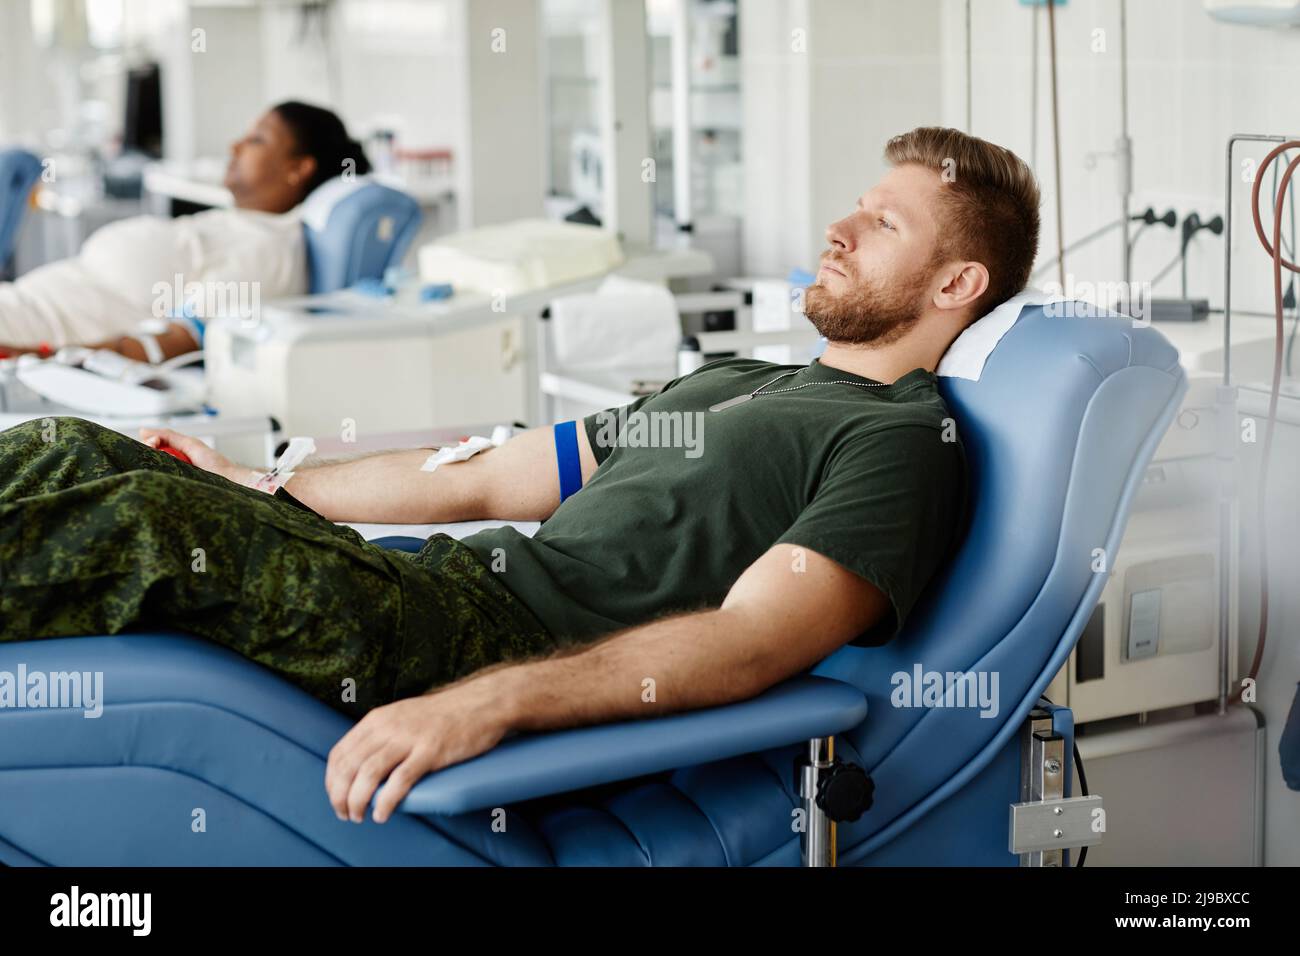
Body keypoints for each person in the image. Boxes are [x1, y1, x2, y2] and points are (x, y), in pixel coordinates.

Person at [0, 126, 1040, 825]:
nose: (838, 230)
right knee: (88, 452)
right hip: (425, 578)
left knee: (129, 520)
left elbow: (750, 643)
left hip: (473, 638)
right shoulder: (741, 379)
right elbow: (491, 477)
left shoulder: (900, 441)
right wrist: (259, 484)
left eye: (883, 225)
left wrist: (485, 701)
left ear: (956, 282)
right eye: (855, 207)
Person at [0, 101, 371, 361]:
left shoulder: (266, 250)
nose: (235, 145)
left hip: (22, 336)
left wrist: (30, 358)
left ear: (299, 168)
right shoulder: (233, 223)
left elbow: (171, 344)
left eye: (257, 140)